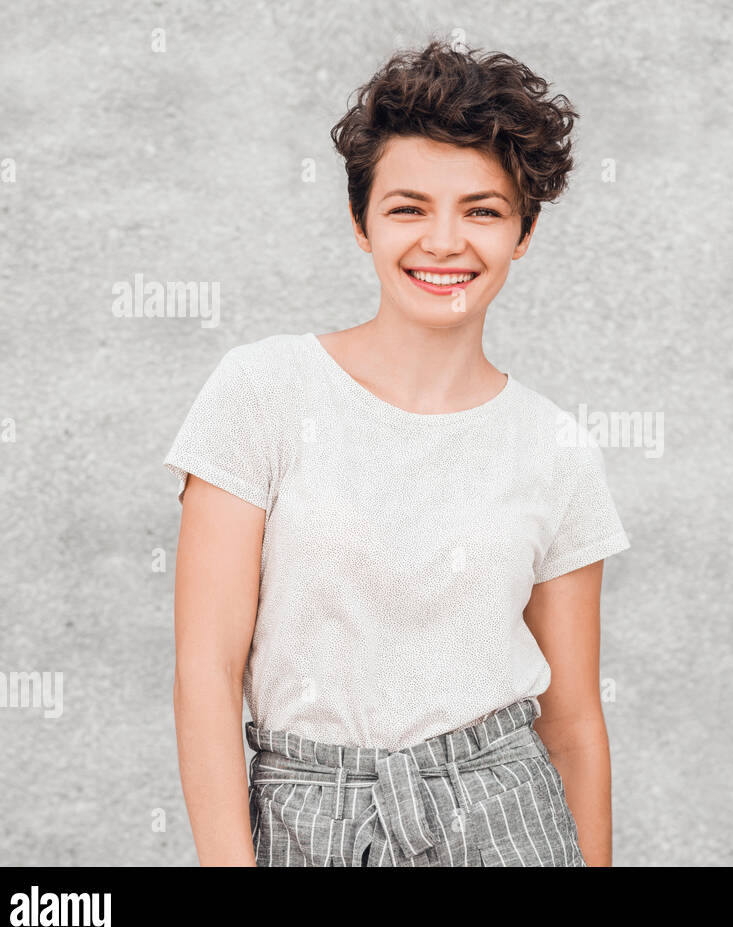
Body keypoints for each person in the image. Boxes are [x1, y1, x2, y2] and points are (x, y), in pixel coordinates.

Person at [163, 39, 629, 866]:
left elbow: (574, 723)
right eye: (409, 208)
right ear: (360, 222)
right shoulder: (261, 391)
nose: (444, 242)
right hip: (307, 814)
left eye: (482, 211)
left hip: (505, 812)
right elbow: (206, 673)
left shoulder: (557, 447)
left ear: (522, 232)